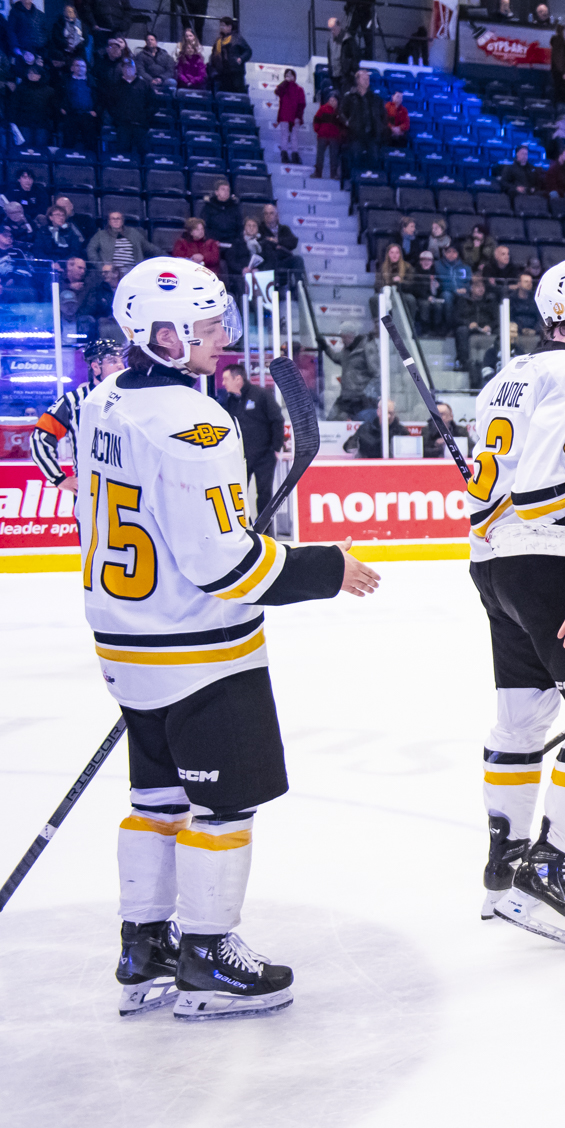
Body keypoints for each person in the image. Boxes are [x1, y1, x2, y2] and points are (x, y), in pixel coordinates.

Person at [88, 257, 379, 1020]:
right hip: (201, 652)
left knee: (156, 798)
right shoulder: (198, 423)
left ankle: (143, 944)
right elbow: (225, 567)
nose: (225, 338)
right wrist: (327, 567)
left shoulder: (101, 402)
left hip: (124, 642)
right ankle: (208, 953)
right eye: (210, 327)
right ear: (164, 335)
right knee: (225, 805)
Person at [461, 257, 565, 953]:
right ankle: (549, 866)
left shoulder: (504, 378)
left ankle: (502, 873)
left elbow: (494, 491)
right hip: (553, 558)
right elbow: (543, 489)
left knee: (521, 718)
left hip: (492, 563)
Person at [30, 338, 125, 491]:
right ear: (95, 367)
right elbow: (40, 438)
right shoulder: (73, 401)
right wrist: (59, 479)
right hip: (90, 490)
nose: (121, 366)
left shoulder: (133, 398)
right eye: (113, 361)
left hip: (129, 489)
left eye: (121, 360)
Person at [216, 364, 288, 518]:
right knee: (238, 493)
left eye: (226, 379)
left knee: (264, 494)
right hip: (242, 456)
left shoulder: (260, 395)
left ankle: (264, 527)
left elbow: (277, 420)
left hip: (265, 455)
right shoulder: (229, 401)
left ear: (238, 379)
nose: (223, 383)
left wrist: (276, 447)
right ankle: (242, 525)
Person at [207, 16, 253, 93]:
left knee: (236, 94)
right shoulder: (218, 41)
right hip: (222, 74)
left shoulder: (237, 38)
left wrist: (241, 58)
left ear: (229, 27)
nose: (221, 27)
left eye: (223, 25)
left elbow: (248, 51)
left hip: (235, 74)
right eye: (220, 25)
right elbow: (213, 55)